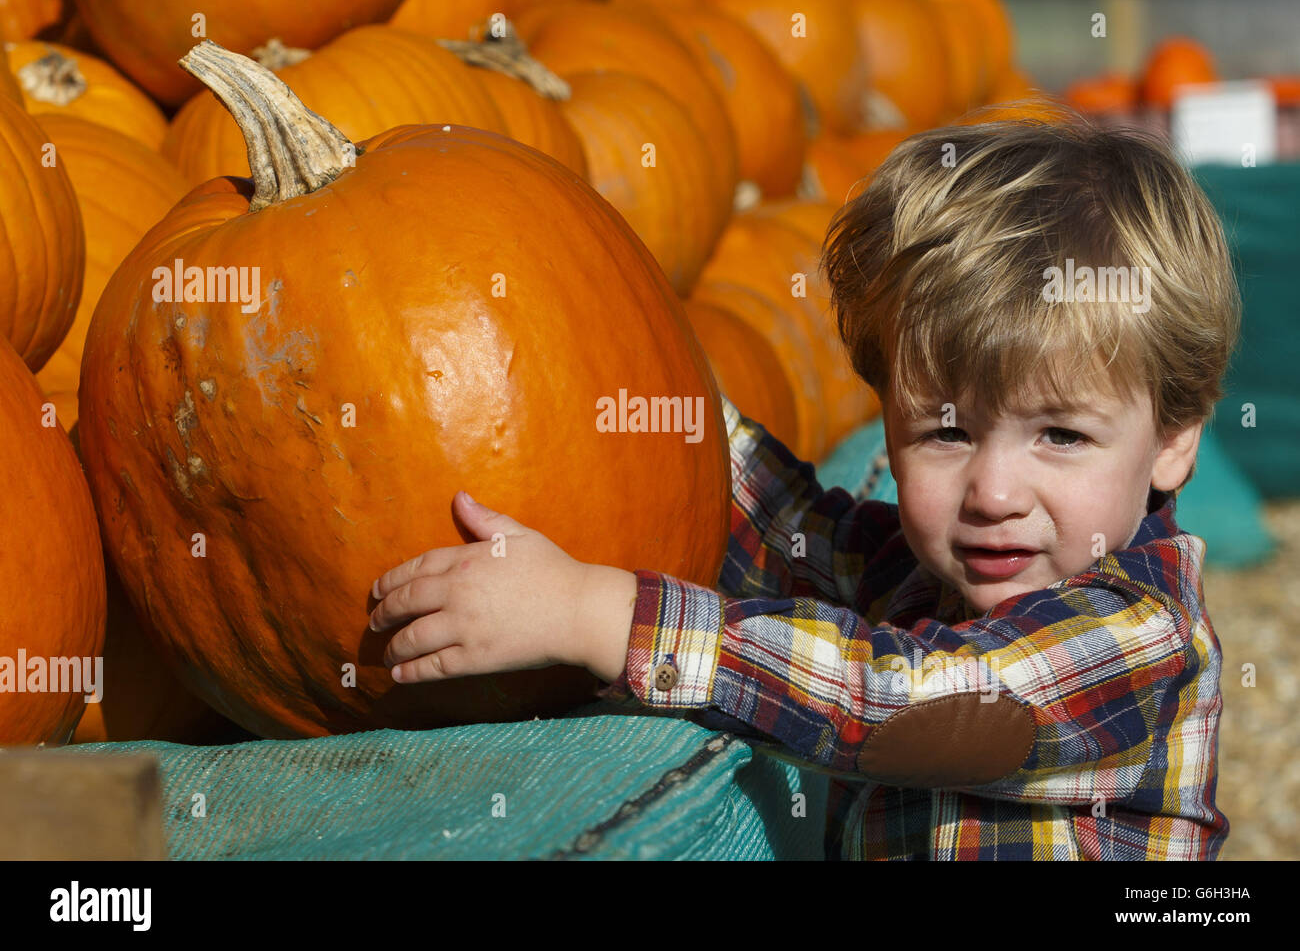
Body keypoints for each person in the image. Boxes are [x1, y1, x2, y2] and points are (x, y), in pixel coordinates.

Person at [369, 115, 1239, 860]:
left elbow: (892, 700)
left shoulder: (1135, 636)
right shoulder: (920, 577)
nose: (994, 492)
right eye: (946, 431)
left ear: (1171, 443)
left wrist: (595, 614)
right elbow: (783, 522)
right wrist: (623, 360)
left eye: (1060, 435)